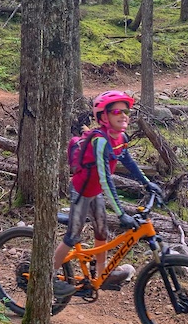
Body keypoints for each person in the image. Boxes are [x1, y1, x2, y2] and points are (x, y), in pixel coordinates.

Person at [52, 90, 163, 297]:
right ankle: (48, 276)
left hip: (95, 192)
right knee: (73, 235)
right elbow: (105, 179)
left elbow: (128, 162)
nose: (123, 115)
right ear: (103, 117)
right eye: (116, 111)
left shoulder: (120, 137)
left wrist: (148, 184)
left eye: (126, 111)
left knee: (101, 232)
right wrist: (121, 213)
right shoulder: (100, 141)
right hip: (82, 191)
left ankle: (102, 274)